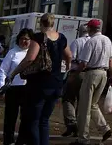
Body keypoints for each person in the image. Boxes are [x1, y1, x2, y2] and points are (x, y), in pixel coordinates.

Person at [8, 14, 73, 145]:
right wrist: (66, 70)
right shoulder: (62, 38)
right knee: (44, 120)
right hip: (55, 84)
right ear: (53, 24)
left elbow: (30, 58)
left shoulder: (38, 38)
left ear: (40, 23)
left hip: (39, 84)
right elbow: (69, 56)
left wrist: (14, 73)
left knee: (34, 120)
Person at [74, 19, 112, 144]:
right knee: (93, 104)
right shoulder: (107, 40)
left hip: (92, 73)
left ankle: (83, 138)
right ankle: (104, 128)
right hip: (104, 74)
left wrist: (75, 73)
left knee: (84, 108)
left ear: (90, 29)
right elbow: (110, 60)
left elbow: (84, 63)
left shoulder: (91, 42)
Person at [0, 28, 33, 145]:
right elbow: (2, 70)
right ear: (18, 40)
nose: (24, 41)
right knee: (10, 118)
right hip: (12, 89)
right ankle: (8, 141)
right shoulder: (12, 52)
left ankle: (22, 141)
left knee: (26, 117)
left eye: (27, 39)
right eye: (22, 39)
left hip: (27, 89)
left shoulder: (33, 53)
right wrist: (2, 87)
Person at [61, 24, 91, 137]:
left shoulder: (77, 42)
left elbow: (71, 57)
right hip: (89, 73)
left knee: (68, 98)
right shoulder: (93, 41)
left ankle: (71, 123)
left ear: (80, 31)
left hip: (77, 72)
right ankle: (80, 127)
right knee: (83, 101)